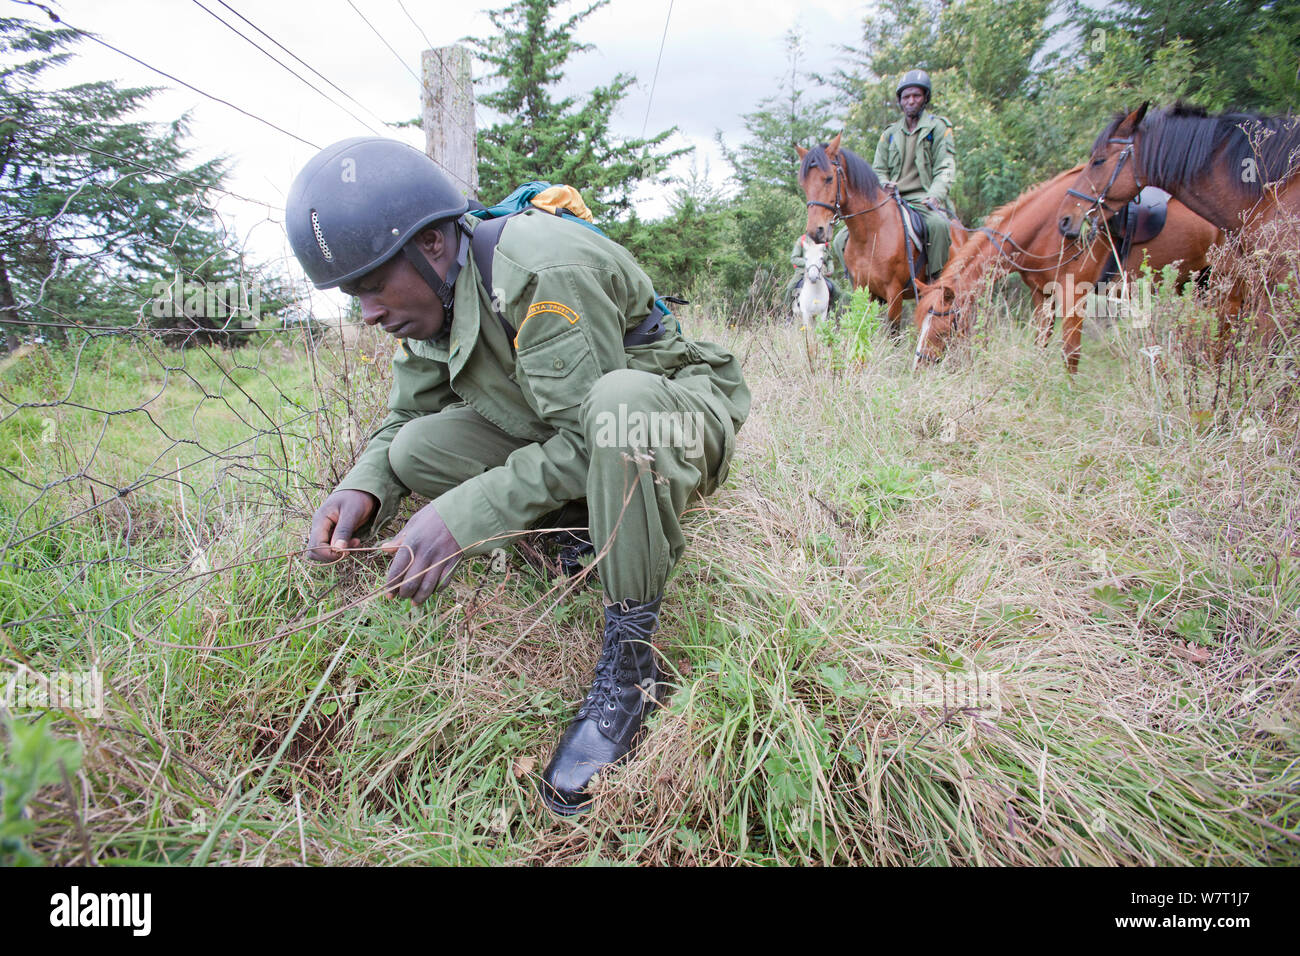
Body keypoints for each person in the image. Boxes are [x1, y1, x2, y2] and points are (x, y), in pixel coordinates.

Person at [286, 138, 750, 815]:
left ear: (433, 247)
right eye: (353, 295)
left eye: (372, 286)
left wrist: (465, 515)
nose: (369, 314)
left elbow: (593, 435)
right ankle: (580, 529)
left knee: (618, 406)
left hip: (666, 419)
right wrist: (362, 487)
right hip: (572, 423)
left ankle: (631, 664)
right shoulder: (427, 303)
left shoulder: (538, 268)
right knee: (415, 449)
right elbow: (405, 417)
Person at [871, 69, 958, 278]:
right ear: (900, 101)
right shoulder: (889, 134)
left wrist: (936, 196)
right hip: (892, 199)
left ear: (925, 98)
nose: (911, 101)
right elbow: (878, 169)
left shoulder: (938, 128)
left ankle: (936, 280)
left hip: (923, 198)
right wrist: (884, 185)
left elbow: (945, 167)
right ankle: (863, 285)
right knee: (844, 237)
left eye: (916, 96)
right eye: (906, 97)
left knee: (937, 226)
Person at [785, 232, 847, 315]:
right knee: (790, 288)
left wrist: (831, 268)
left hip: (821, 273)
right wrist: (809, 263)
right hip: (803, 272)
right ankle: (788, 315)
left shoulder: (824, 241)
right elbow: (794, 258)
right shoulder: (802, 240)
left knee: (837, 291)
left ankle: (832, 315)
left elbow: (829, 259)